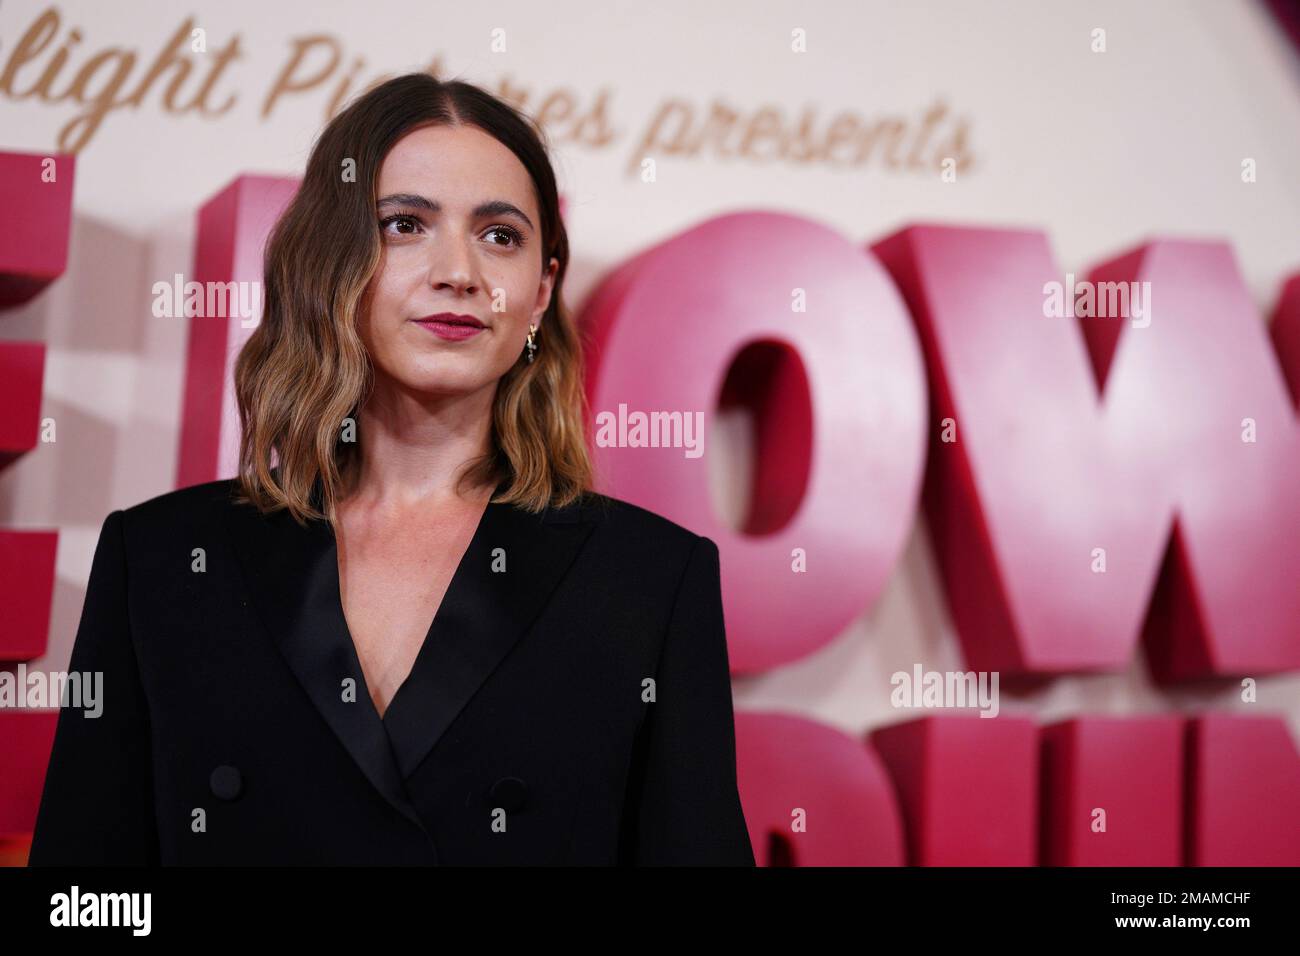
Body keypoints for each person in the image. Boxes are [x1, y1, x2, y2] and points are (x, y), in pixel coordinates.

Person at [27, 73, 755, 866]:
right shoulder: (161, 558)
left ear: (542, 289)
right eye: (405, 224)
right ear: (329, 261)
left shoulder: (650, 580)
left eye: (501, 235)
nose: (459, 272)